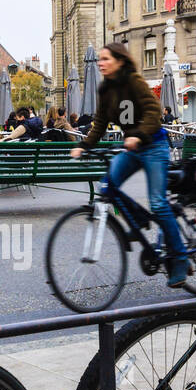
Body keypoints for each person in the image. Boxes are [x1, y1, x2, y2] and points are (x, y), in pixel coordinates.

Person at [71, 43, 188, 288]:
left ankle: (180, 258)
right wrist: (84, 145)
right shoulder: (105, 88)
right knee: (107, 186)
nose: (101, 63)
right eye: (100, 59)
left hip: (153, 145)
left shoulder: (134, 82)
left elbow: (154, 113)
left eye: (106, 59)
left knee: (158, 203)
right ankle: (138, 222)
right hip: (132, 148)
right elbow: (100, 122)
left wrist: (138, 135)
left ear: (120, 61)